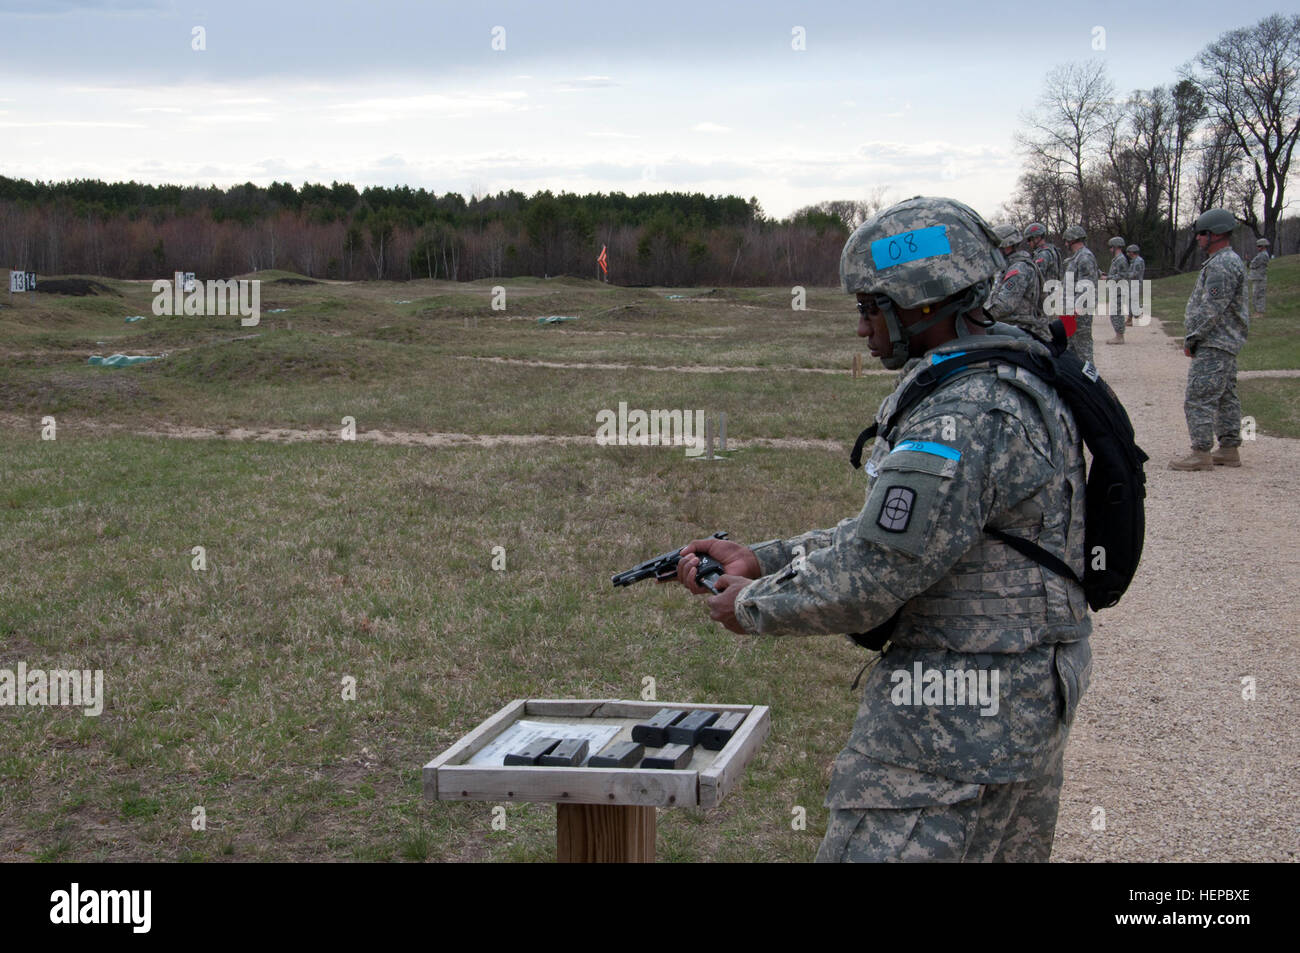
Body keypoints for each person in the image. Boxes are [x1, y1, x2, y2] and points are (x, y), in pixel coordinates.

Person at [670, 196, 1092, 863]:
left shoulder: (962, 413)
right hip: (1016, 707)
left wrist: (750, 603)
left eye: (872, 307)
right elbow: (900, 535)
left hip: (950, 731)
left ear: (923, 304)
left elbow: (873, 575)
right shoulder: (1014, 375)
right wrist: (766, 557)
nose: (862, 328)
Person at [1170, 208, 1249, 471]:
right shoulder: (1225, 261)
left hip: (1215, 341)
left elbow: (1211, 309)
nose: (1198, 238)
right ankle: (1229, 449)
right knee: (1226, 395)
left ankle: (1201, 452)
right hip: (1224, 341)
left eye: (1202, 233)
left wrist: (1193, 338)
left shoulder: (1222, 264)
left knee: (1198, 396)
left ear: (1215, 234)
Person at [987, 225, 1047, 340]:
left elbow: (1004, 306)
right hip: (1012, 330)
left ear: (1007, 245)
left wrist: (977, 315)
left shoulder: (1019, 268)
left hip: (1021, 332)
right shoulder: (1008, 266)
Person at [1062, 225, 1099, 363]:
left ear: (1072, 240)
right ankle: (1077, 374)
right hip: (1072, 310)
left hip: (1079, 311)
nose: (1066, 244)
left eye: (1067, 241)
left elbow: (1087, 285)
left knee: (1083, 348)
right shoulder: (1077, 257)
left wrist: (1077, 308)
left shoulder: (1084, 257)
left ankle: (1089, 375)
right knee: (1071, 346)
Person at [1024, 222, 1061, 314]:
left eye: (1029, 239)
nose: (1028, 243)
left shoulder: (1043, 254)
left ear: (1037, 238)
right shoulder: (1052, 250)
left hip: (1046, 300)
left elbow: (1036, 277)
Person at [1105, 236, 1130, 345]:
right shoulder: (1117, 259)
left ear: (1116, 247)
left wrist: (1108, 278)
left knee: (1116, 313)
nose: (1110, 249)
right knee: (1114, 313)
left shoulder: (1121, 260)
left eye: (1111, 247)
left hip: (1119, 290)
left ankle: (1119, 337)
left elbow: (1122, 275)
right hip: (1115, 289)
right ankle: (1118, 335)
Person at [1247, 238, 1270, 317]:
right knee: (1256, 294)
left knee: (1258, 295)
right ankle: (1258, 311)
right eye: (1258, 246)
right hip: (1258, 277)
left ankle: (1259, 312)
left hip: (1260, 278)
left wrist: (1249, 262)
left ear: (1263, 246)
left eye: (1259, 246)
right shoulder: (1261, 255)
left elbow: (1253, 265)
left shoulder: (1263, 255)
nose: (1258, 247)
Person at [1125, 243, 1145, 326]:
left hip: (1135, 283)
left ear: (1133, 252)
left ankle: (1130, 320)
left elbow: (1135, 273)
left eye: (1129, 252)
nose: (1128, 253)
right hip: (1132, 283)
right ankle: (1137, 311)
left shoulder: (1138, 261)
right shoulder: (1134, 261)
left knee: (1131, 301)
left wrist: (1125, 276)